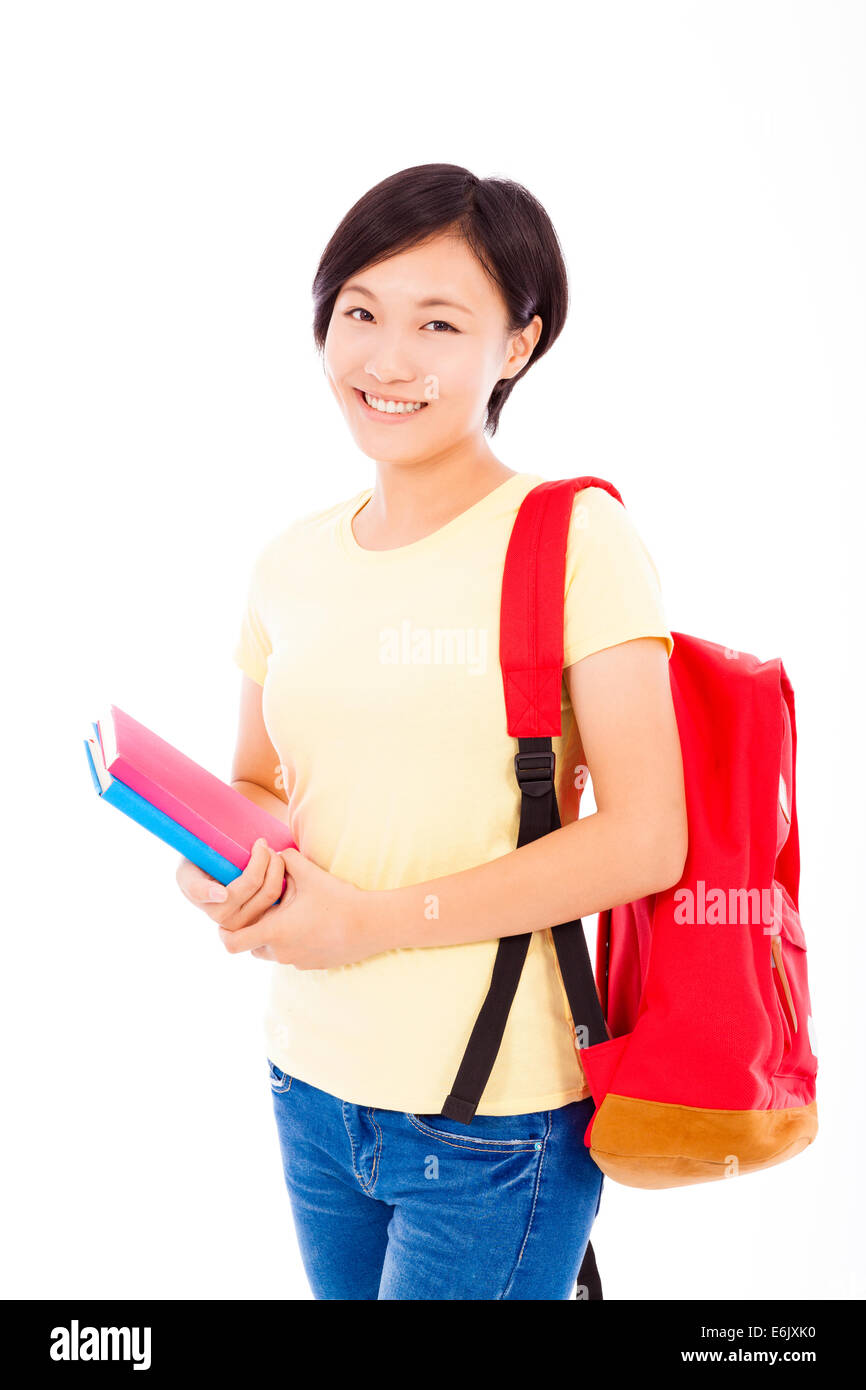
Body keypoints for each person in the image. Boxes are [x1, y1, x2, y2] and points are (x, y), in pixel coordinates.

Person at [176, 163, 688, 1300]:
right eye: (358, 311)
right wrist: (220, 866)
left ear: (516, 344)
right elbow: (260, 780)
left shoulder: (573, 539)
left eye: (439, 322)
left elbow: (648, 838)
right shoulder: (288, 560)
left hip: (486, 1118)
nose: (386, 358)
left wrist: (371, 921)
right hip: (305, 1080)